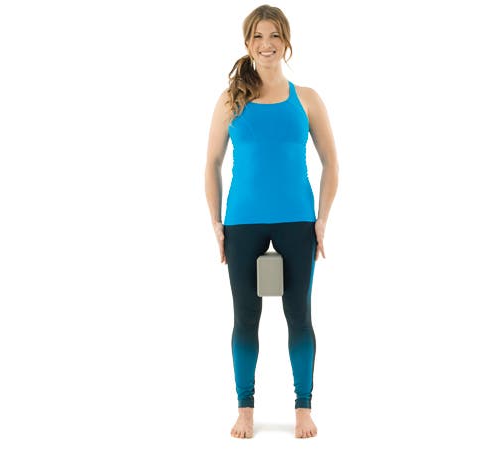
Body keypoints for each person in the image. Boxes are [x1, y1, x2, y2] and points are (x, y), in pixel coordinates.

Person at [204, 4, 339, 440]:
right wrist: (216, 224)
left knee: (299, 314)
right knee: (246, 316)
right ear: (247, 43)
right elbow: (212, 163)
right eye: (258, 36)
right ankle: (245, 409)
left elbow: (331, 162)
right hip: (242, 222)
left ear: (286, 42)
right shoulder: (231, 100)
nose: (267, 44)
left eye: (275, 35)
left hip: (297, 220)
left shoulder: (307, 99)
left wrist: (322, 219)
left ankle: (303, 408)